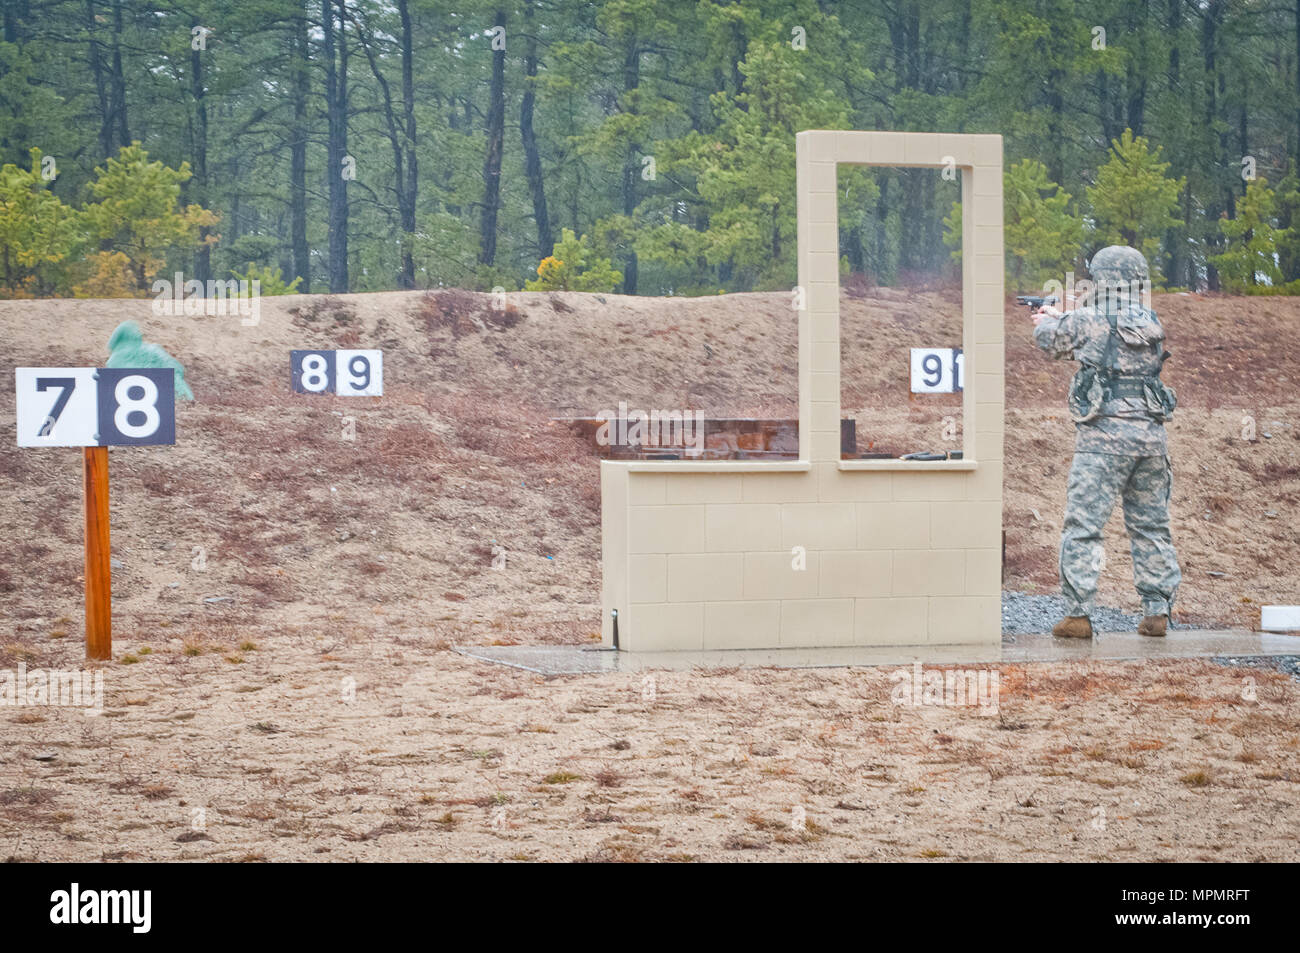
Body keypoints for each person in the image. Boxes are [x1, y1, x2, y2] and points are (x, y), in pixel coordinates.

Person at [1031, 245, 1181, 639]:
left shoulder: (1088, 316)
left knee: (1084, 527)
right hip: (1150, 439)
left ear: (1100, 276)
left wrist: (1047, 318)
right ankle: (1156, 612)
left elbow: (1051, 343)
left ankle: (1078, 615)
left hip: (1102, 440)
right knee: (1151, 526)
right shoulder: (1149, 316)